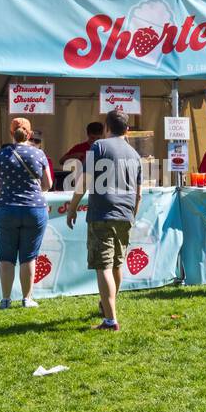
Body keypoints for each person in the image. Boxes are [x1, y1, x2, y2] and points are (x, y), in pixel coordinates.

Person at [66, 109, 141, 332]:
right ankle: (108, 308)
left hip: (103, 212)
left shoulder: (98, 146)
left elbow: (84, 180)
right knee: (117, 263)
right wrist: (132, 215)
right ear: (127, 130)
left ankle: (110, 321)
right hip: (125, 212)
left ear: (106, 128)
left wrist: (72, 207)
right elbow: (139, 194)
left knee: (104, 266)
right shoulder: (135, 155)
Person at [0, 117, 52, 309]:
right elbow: (47, 184)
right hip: (35, 209)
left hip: (6, 208)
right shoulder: (39, 155)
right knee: (29, 256)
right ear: (30, 134)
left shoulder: (0, 155)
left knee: (6, 257)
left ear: (11, 134)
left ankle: (6, 300)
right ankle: (27, 298)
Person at [58, 121, 103, 191]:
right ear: (88, 135)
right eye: (92, 138)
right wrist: (73, 155)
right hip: (80, 184)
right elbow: (61, 161)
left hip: (98, 184)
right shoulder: (79, 147)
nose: (95, 141)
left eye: (98, 138)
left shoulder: (104, 148)